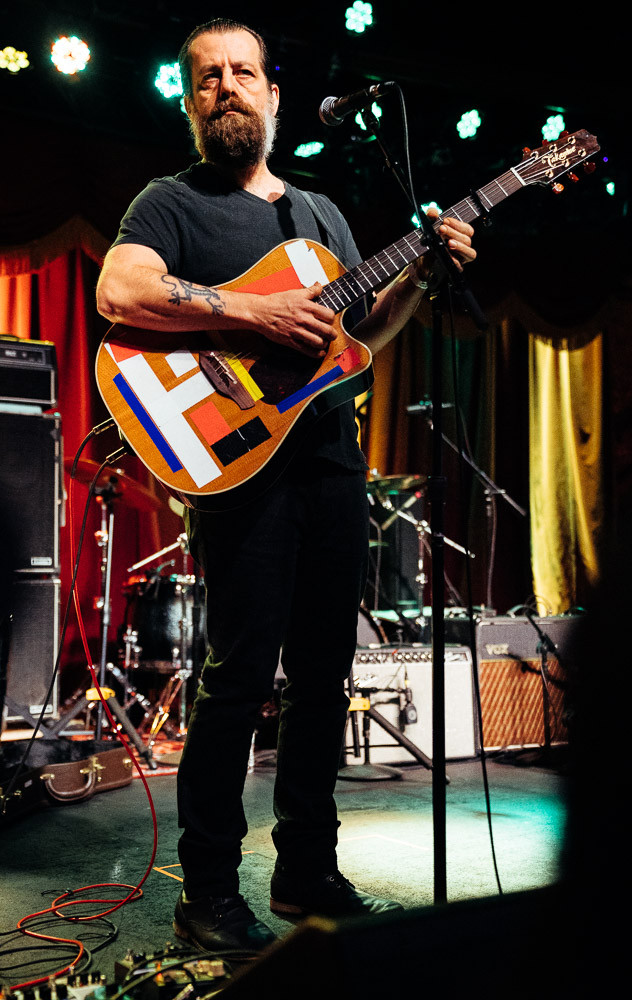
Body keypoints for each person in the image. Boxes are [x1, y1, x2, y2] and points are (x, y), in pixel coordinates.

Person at [96, 17, 476, 955]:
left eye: (243, 73)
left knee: (322, 679)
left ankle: (309, 869)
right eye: (206, 77)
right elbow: (120, 291)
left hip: (327, 464)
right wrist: (252, 311)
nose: (226, 86)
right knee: (235, 682)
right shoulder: (169, 201)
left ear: (272, 96)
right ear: (191, 102)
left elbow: (352, 342)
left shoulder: (318, 217)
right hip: (236, 471)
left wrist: (422, 275)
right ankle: (209, 891)